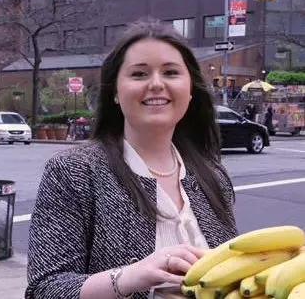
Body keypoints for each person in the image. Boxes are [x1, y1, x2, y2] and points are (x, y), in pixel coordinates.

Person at [25, 19, 238, 299]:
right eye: (139, 74)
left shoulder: (212, 175)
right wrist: (131, 276)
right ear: (115, 91)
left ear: (190, 90)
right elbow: (45, 289)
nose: (156, 84)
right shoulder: (74, 172)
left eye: (171, 72)